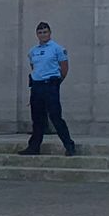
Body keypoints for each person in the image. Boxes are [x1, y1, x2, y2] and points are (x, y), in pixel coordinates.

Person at [22, 21, 77, 156]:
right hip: (37, 86)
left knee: (55, 117)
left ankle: (69, 145)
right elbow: (34, 68)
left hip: (51, 85)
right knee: (37, 119)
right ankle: (34, 147)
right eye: (40, 32)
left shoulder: (57, 48)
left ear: (50, 33)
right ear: (37, 34)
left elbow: (64, 68)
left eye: (45, 32)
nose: (43, 35)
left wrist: (56, 83)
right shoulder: (33, 51)